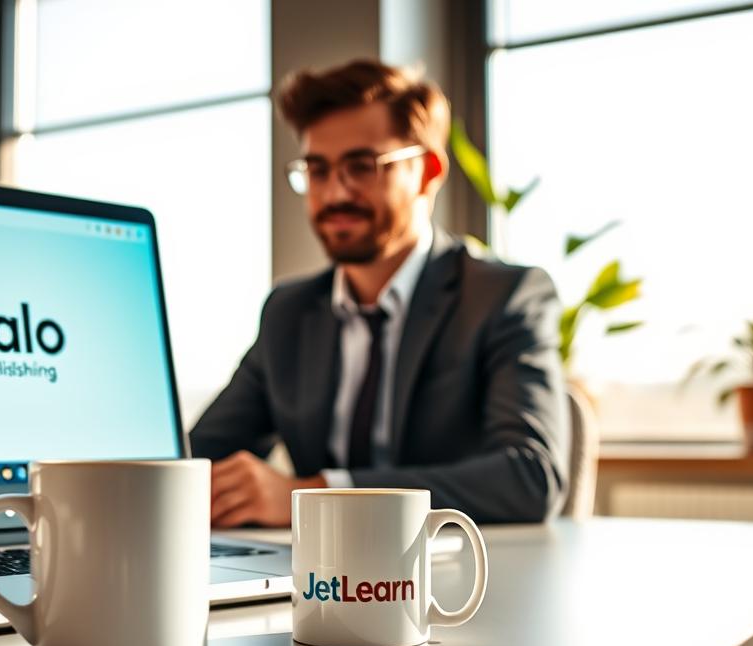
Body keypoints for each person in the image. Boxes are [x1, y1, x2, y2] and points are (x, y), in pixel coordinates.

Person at [191, 59, 569, 528]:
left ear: (428, 171)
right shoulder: (289, 312)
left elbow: (530, 478)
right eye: (317, 170)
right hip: (321, 580)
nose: (334, 194)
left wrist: (315, 495)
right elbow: (199, 456)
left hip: (460, 581)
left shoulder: (503, 295)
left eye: (361, 167)